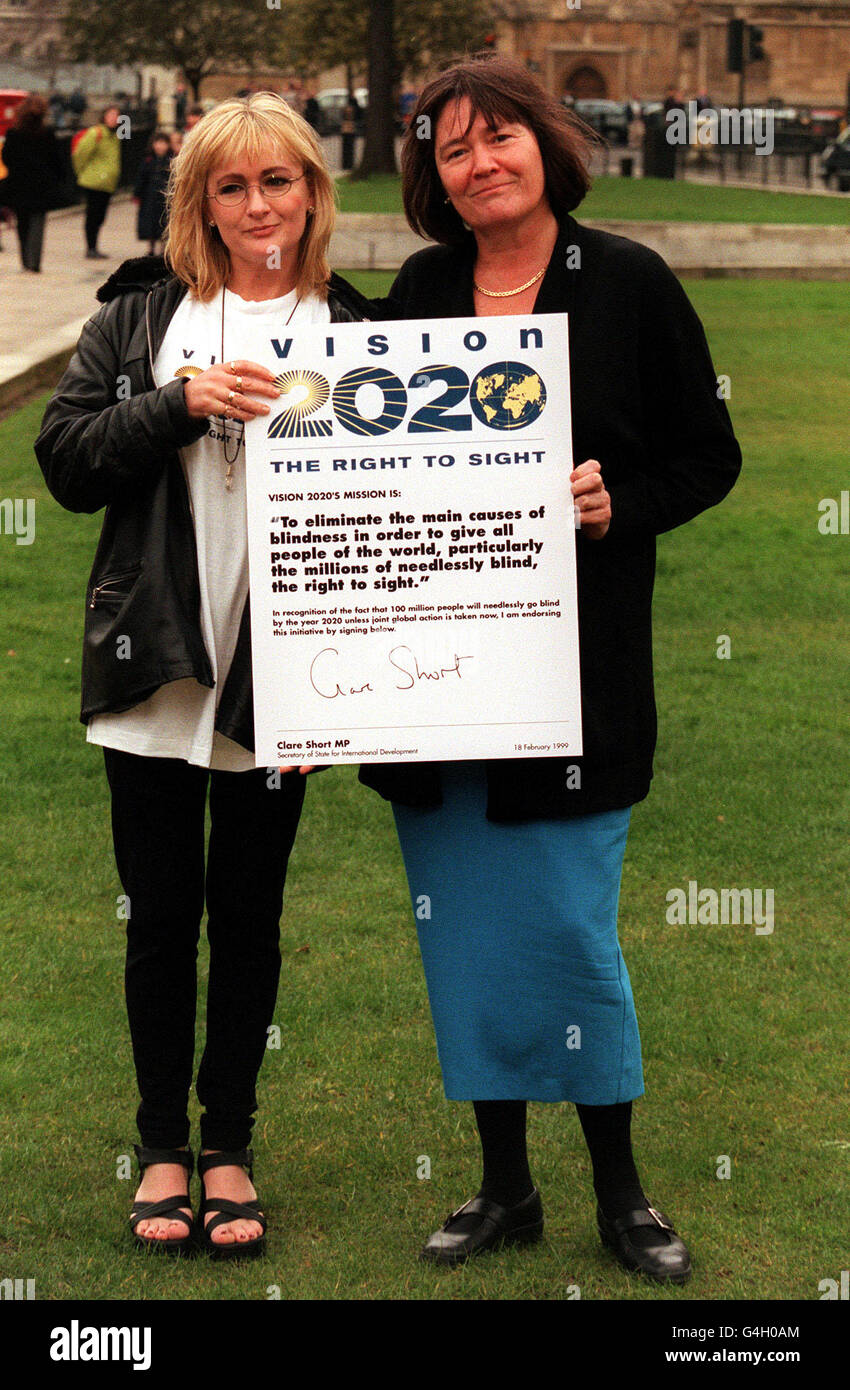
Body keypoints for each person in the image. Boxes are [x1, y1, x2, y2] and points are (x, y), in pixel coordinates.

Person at [359, 54, 742, 1282]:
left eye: (497, 138)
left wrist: (610, 503)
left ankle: (622, 1195)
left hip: (573, 674)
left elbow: (707, 456)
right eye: (451, 149)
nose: (479, 163)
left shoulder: (625, 281)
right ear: (435, 177)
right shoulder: (417, 289)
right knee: (465, 939)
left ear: (544, 143)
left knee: (571, 934)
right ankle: (503, 1188)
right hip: (436, 675)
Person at [35, 92, 376, 1259]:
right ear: (200, 202)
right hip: (155, 665)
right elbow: (67, 462)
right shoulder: (140, 317)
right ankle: (160, 1151)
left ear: (310, 194)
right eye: (230, 186)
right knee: (158, 918)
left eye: (277, 181)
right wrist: (175, 405)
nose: (255, 204)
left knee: (251, 914)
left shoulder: (358, 325)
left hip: (288, 673)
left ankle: (228, 1143)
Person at [1, 93, 64, 272]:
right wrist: (57, 179)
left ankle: (25, 261)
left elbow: (7, 157)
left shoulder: (14, 133)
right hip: (42, 185)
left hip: (19, 184)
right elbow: (56, 160)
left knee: (23, 224)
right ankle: (34, 261)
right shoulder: (47, 133)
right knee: (38, 224)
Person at [71, 103, 121, 259]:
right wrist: (82, 172)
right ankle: (91, 247)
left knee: (100, 215)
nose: (114, 118)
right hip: (93, 181)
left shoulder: (116, 135)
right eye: (111, 115)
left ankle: (94, 246)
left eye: (117, 115)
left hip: (107, 183)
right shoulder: (96, 133)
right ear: (104, 116)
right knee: (93, 215)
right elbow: (80, 154)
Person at [134, 129, 172, 254]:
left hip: (164, 197)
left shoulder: (170, 161)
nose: (160, 146)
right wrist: (137, 194)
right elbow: (141, 178)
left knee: (164, 222)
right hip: (149, 197)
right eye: (158, 143)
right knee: (150, 222)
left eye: (163, 143)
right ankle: (151, 247)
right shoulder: (148, 160)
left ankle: (163, 248)